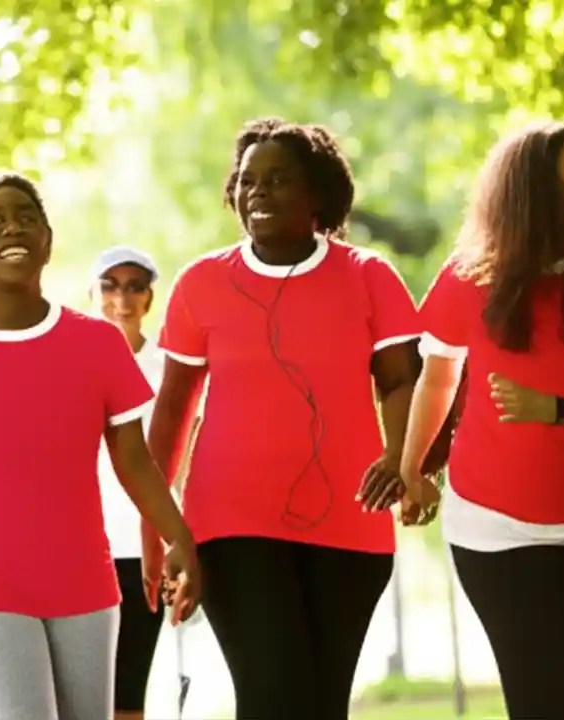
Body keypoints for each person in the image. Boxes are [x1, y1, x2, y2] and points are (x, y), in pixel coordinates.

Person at [0, 171, 200, 720]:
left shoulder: (97, 343)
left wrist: (178, 536)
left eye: (26, 217)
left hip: (83, 579)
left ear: (48, 240)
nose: (12, 228)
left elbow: (134, 461)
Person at [147, 118, 423, 720]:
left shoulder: (369, 277)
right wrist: (161, 531)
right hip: (231, 522)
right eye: (248, 181)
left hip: (353, 520)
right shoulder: (202, 283)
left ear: (318, 194)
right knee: (274, 692)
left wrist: (399, 457)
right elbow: (172, 411)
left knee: (322, 703)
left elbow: (402, 380)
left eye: (278, 180)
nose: (259, 192)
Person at [399, 122, 564, 719]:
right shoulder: (471, 275)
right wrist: (412, 468)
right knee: (539, 698)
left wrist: (551, 410)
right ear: (535, 194)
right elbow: (438, 377)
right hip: (495, 529)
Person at [90, 245, 169, 720]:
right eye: (110, 285)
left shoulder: (168, 368)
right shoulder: (70, 359)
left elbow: (187, 458)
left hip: (147, 550)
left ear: (148, 299)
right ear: (93, 294)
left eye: (135, 286)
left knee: (128, 690)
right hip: (83, 547)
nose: (122, 297)